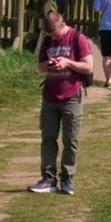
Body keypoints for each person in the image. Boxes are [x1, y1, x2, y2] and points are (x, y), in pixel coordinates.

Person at [30, 10, 93, 196]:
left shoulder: (77, 38)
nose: (52, 37)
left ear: (61, 24)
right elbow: (40, 66)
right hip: (50, 96)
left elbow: (89, 66)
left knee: (70, 140)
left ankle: (67, 180)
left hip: (72, 96)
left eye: (55, 33)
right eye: (49, 35)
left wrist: (67, 63)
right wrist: (50, 64)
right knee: (48, 138)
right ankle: (48, 179)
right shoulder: (48, 40)